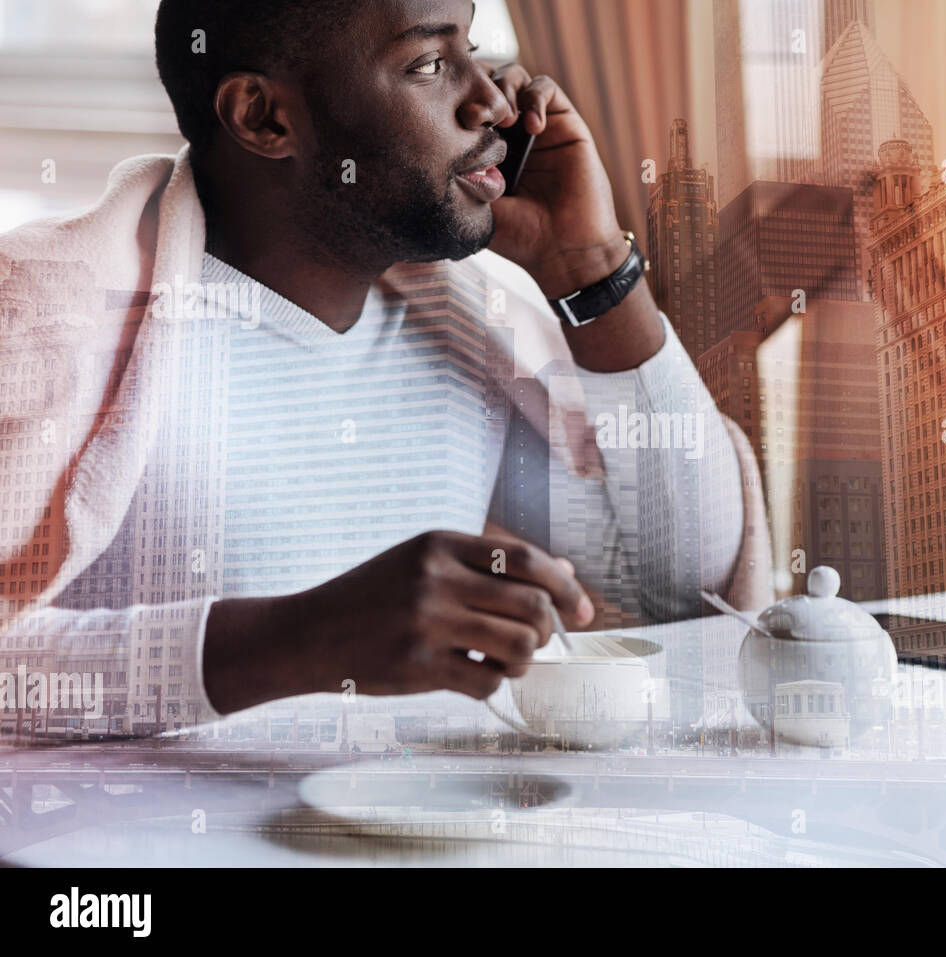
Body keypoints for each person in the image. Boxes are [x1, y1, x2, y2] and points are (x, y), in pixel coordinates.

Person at [0, 0, 772, 741]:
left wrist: (592, 268)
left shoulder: (467, 328)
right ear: (265, 118)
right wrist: (291, 642)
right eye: (432, 62)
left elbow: (681, 584)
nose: (494, 103)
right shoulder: (50, 319)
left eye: (473, 47)